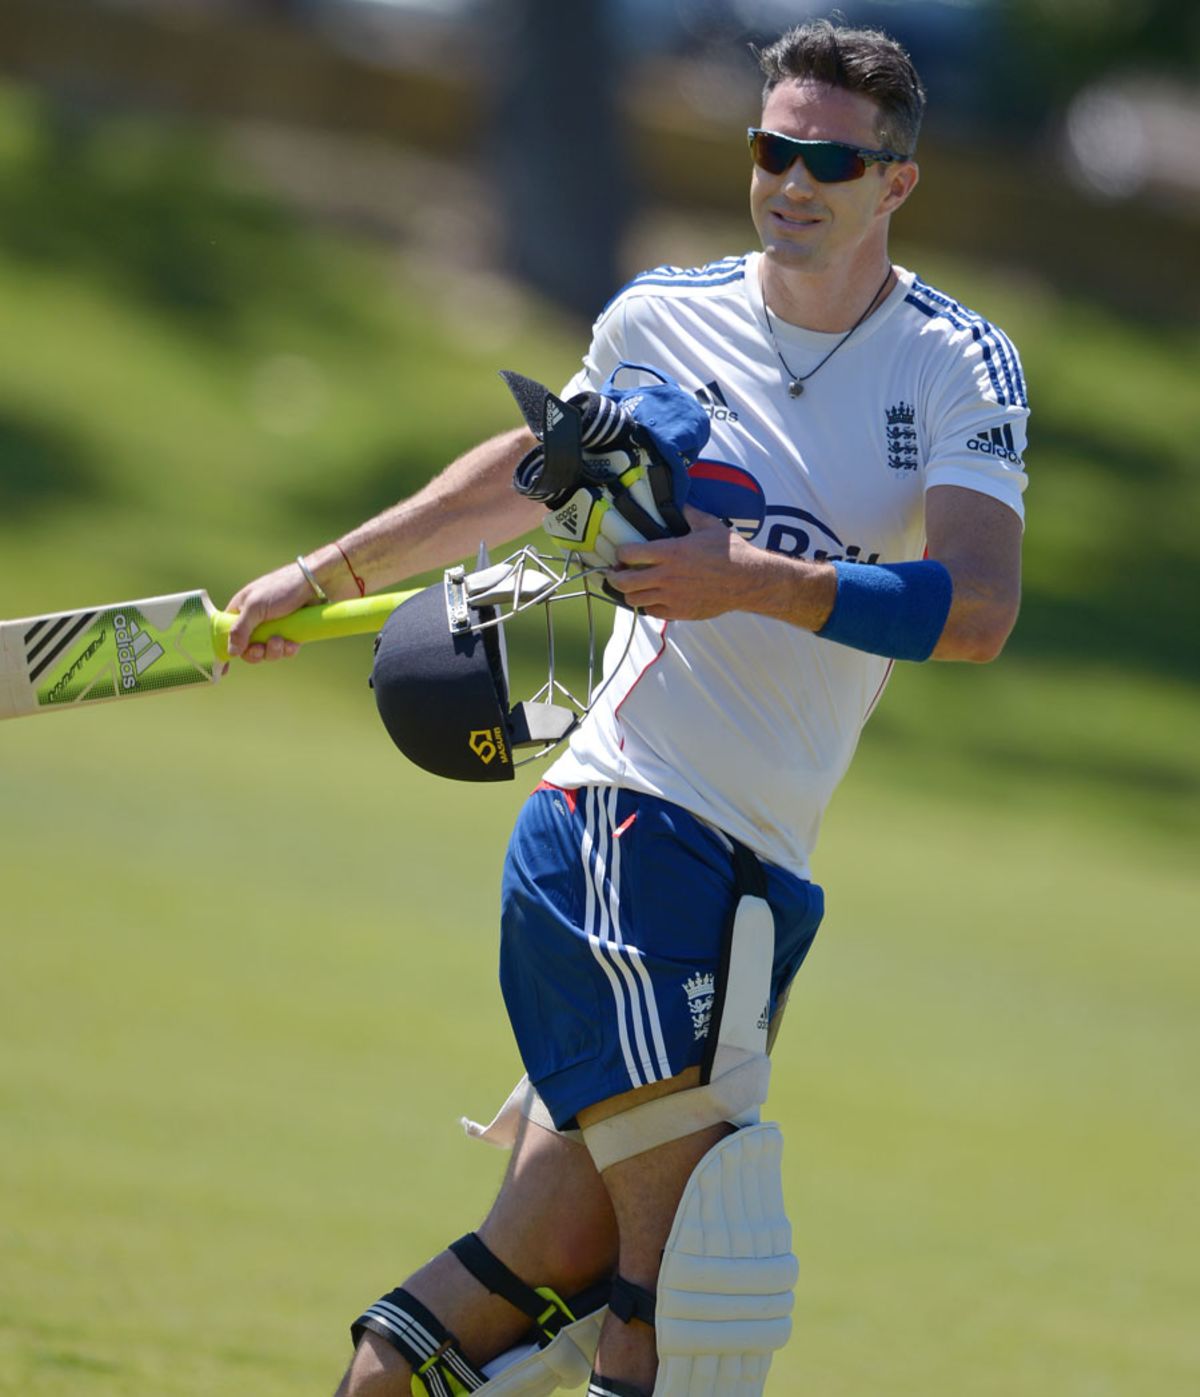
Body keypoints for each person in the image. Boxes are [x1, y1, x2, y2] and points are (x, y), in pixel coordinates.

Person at [225, 19, 1027, 1397]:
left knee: (538, 1262)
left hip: (764, 866)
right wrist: (324, 570)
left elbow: (975, 607)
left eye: (829, 159)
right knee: (688, 1314)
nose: (791, 179)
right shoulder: (665, 315)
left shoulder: (957, 362)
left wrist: (744, 577)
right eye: (772, 147)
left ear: (897, 181)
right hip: (622, 823)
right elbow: (531, 471)